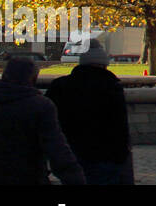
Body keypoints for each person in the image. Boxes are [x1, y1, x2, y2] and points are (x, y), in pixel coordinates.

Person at [45, 41, 133, 185]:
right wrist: (122, 156)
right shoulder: (111, 86)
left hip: (70, 152)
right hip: (104, 154)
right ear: (104, 64)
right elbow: (119, 126)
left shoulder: (60, 86)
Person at [0, 57, 85, 185]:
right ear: (33, 78)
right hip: (28, 177)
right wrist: (74, 178)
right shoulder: (40, 106)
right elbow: (57, 149)